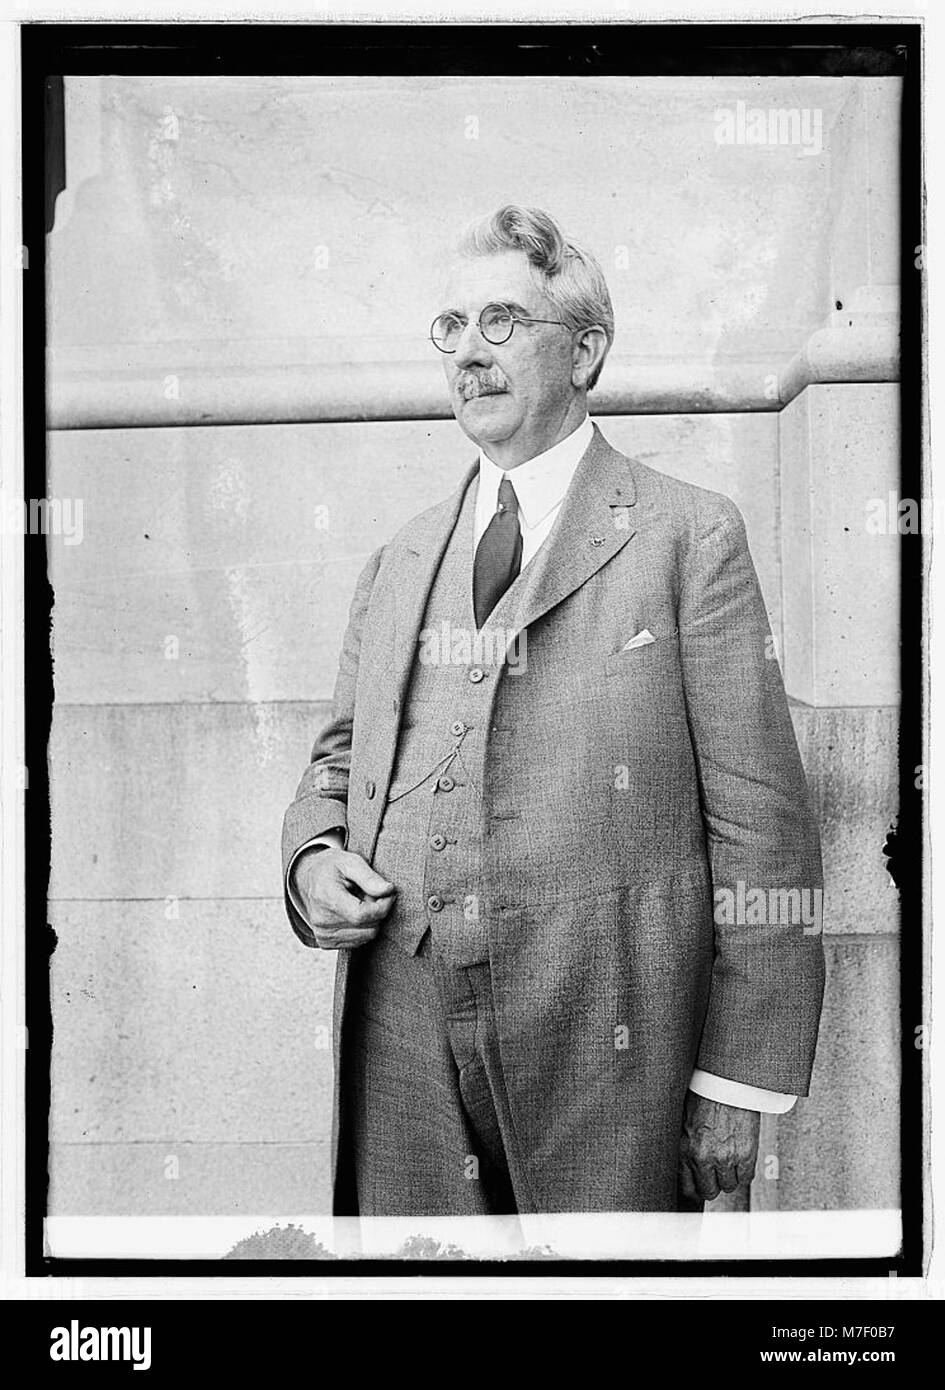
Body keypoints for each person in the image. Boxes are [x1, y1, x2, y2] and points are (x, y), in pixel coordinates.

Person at [282, 204, 825, 1217]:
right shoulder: (399, 558)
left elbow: (765, 826)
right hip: (401, 1047)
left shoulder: (686, 537)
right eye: (451, 328)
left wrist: (731, 1082)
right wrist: (311, 857)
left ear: (585, 352)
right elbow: (333, 762)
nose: (469, 356)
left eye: (502, 323)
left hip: (606, 1052)